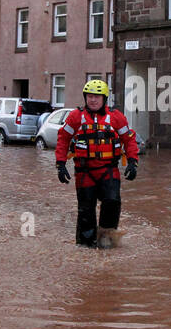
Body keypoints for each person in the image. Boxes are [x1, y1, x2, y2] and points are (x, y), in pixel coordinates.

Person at [55, 79, 139, 247]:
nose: (93, 100)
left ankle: (106, 240)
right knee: (86, 211)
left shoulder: (116, 117)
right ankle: (85, 248)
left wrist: (132, 162)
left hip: (108, 169)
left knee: (113, 201)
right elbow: (63, 139)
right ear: (85, 98)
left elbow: (129, 140)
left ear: (104, 99)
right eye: (90, 96)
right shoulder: (76, 117)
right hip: (84, 171)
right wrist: (61, 164)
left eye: (97, 97)